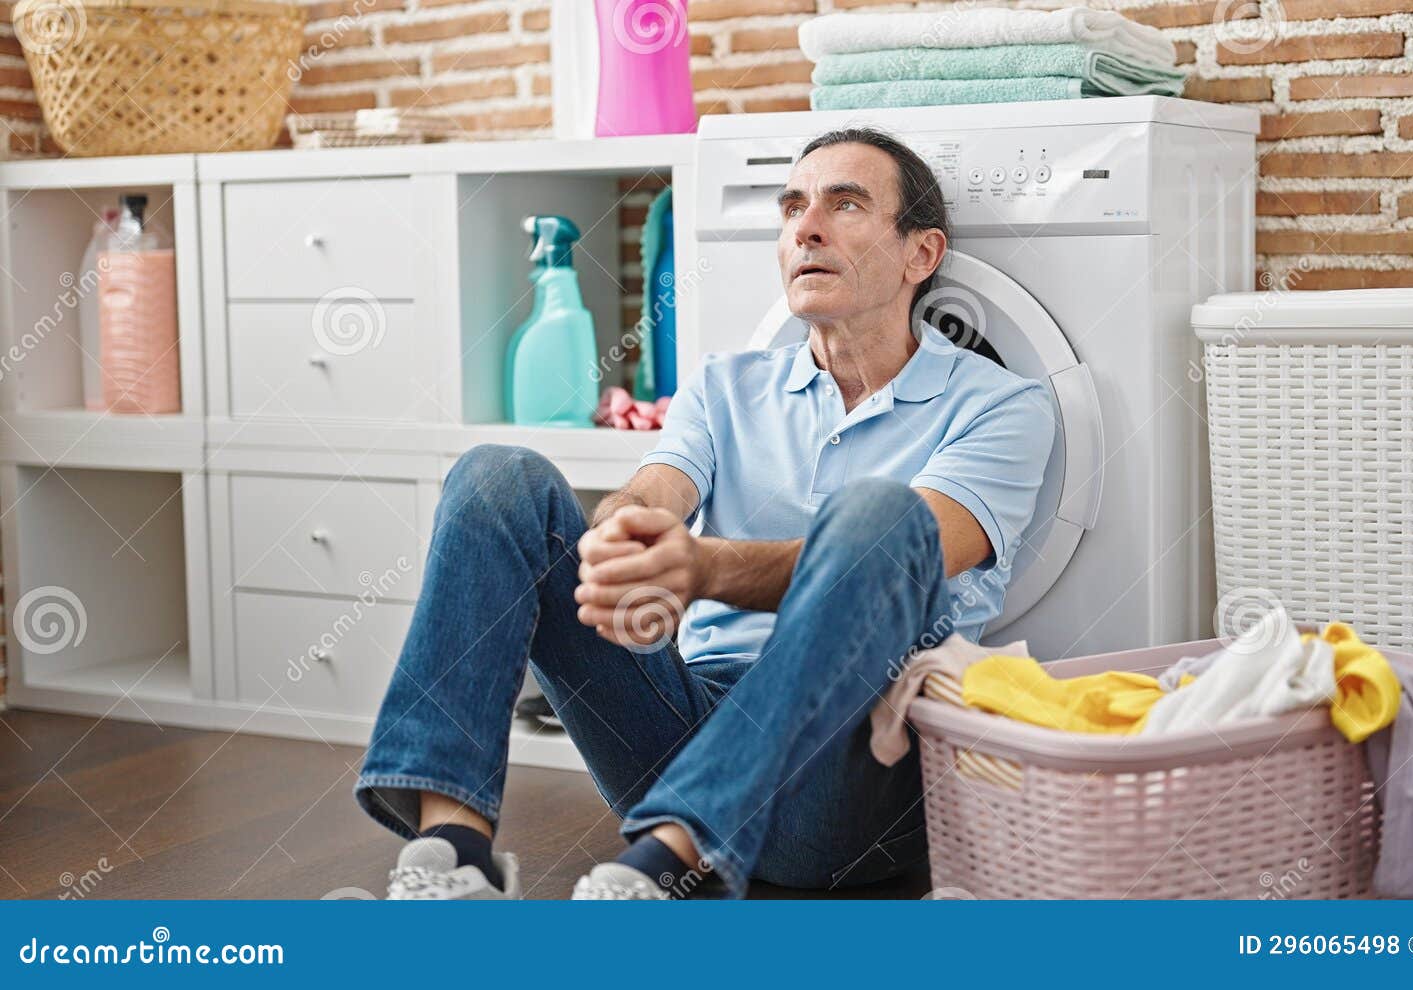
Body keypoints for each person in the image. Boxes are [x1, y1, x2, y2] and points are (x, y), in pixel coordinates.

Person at [355, 126, 1052, 900]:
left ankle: (674, 853)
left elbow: (921, 543)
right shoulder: (725, 385)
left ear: (922, 254)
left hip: (856, 770)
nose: (806, 227)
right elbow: (657, 489)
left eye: (845, 205)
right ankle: (455, 854)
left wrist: (703, 568)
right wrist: (626, 537)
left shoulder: (1002, 406)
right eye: (792, 208)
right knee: (495, 477)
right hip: (684, 726)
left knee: (883, 517)